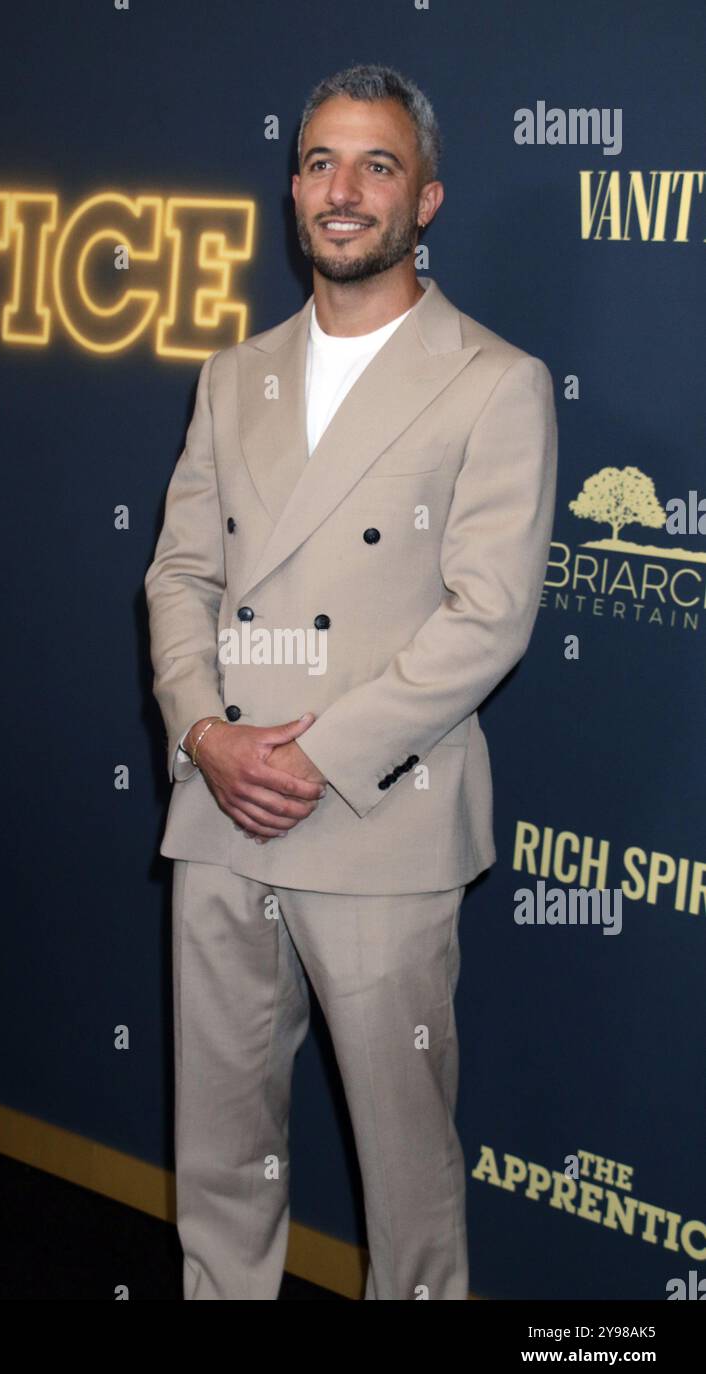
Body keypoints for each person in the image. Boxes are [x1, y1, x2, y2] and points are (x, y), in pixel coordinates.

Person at [144, 62, 557, 1300]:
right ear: (292, 189)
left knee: (406, 1174)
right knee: (219, 1153)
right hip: (219, 813)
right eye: (321, 161)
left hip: (376, 820)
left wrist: (308, 757)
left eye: (377, 165)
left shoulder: (492, 380)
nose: (343, 189)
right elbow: (177, 576)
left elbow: (485, 621)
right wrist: (207, 735)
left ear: (423, 199)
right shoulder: (235, 375)